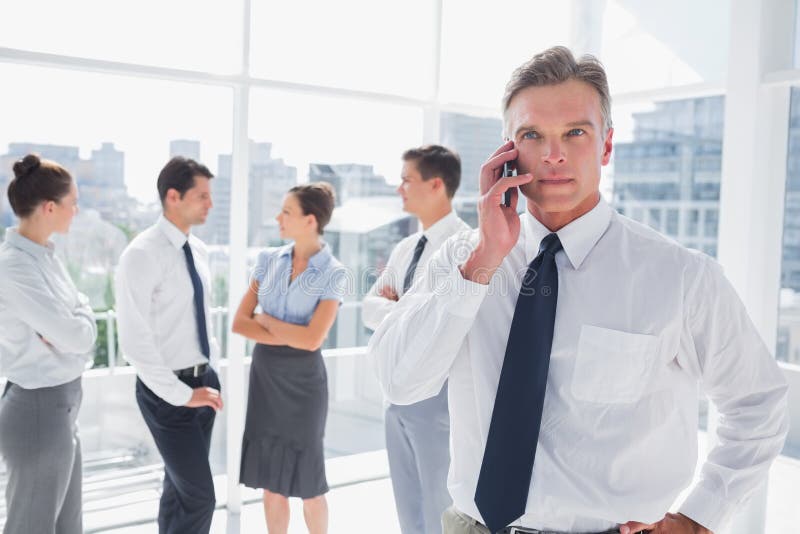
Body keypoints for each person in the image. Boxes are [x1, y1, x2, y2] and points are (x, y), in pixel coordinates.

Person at [369, 46, 789, 534]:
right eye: (532, 135)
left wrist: (699, 518)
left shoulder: (681, 277)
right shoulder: (462, 260)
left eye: (575, 132)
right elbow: (400, 381)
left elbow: (757, 401)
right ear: (506, 152)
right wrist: (484, 258)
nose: (553, 154)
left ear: (606, 146)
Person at [362, 145, 468, 534]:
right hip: (395, 400)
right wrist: (413, 312)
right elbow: (369, 307)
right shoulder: (406, 247)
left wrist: (402, 311)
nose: (399, 189)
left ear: (436, 184)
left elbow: (447, 324)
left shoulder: (463, 246)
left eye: (407, 179)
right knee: (407, 508)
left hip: (437, 399)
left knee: (441, 506)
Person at [115, 156, 222, 534]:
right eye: (202, 196)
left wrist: (210, 376)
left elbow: (200, 319)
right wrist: (180, 394)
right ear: (173, 196)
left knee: (178, 490)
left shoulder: (200, 251)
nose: (211, 204)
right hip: (166, 392)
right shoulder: (142, 254)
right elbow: (134, 340)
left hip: (203, 384)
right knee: (201, 497)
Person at [232, 182, 345, 534]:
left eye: (286, 212)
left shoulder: (333, 272)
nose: (278, 218)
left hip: (304, 383)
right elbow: (239, 323)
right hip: (266, 377)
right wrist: (283, 331)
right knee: (271, 481)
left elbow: (313, 340)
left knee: (309, 482)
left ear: (310, 220)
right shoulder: (267, 261)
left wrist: (266, 320)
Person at [0, 154, 97, 534]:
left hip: (62, 409)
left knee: (66, 527)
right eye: (73, 202)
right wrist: (77, 322)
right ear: (50, 207)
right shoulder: (14, 266)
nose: (77, 210)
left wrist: (78, 318)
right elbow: (77, 335)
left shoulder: (46, 255)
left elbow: (79, 323)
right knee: (31, 528)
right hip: (38, 411)